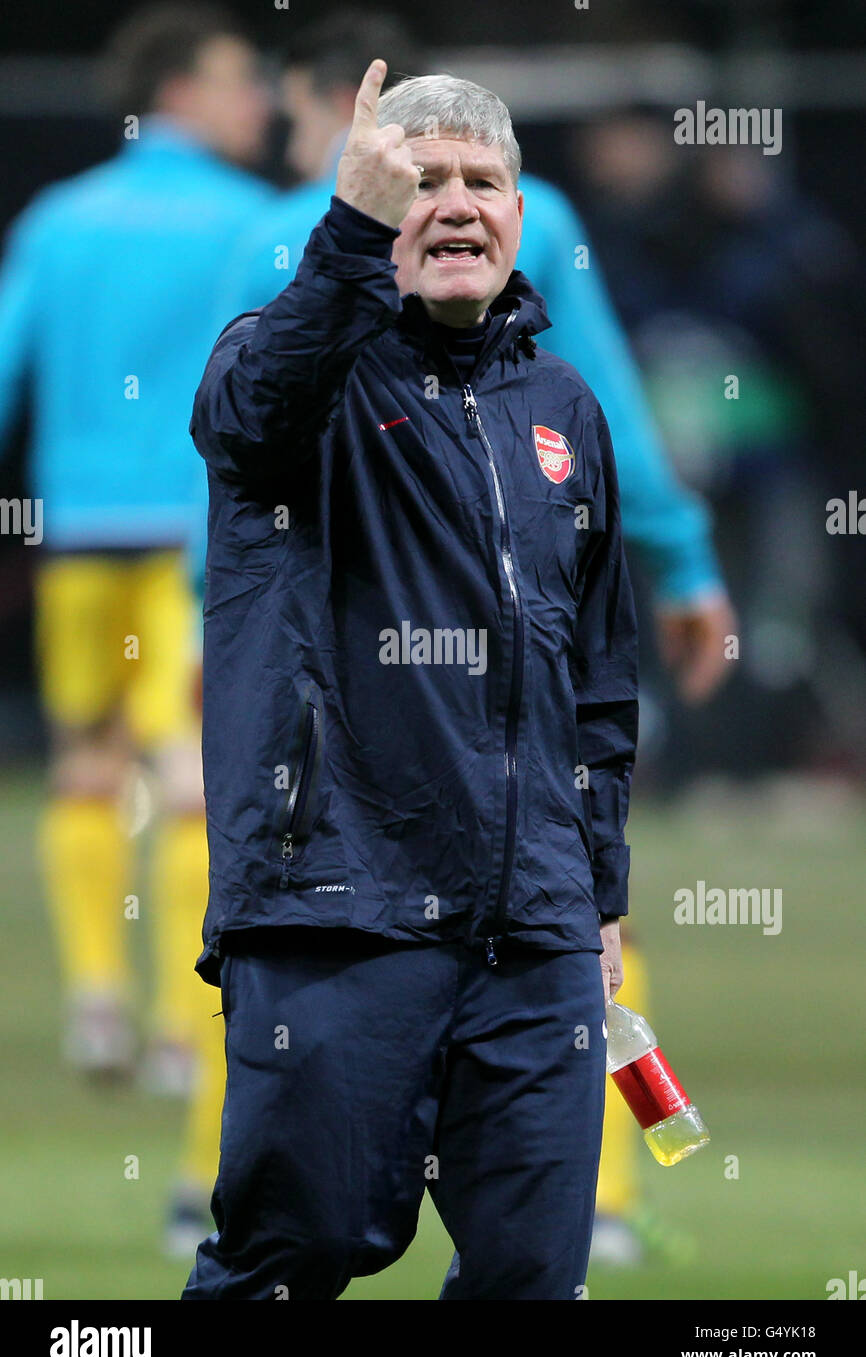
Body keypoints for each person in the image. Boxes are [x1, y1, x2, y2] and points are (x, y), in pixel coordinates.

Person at [206, 11, 735, 1265]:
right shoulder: (297, 373)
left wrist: (595, 891)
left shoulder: (564, 408)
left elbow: (597, 681)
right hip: (339, 911)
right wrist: (342, 232)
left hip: (535, 935)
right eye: (421, 181)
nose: (455, 205)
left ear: (517, 212)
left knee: (532, 1275)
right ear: (373, 206)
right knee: (294, 1253)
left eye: (481, 182)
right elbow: (250, 414)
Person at [0, 2, 271, 1089]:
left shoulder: (59, 219)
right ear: (179, 94)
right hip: (195, 536)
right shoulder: (256, 223)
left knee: (85, 761)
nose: (257, 101)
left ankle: (98, 1004)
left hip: (77, 533)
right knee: (191, 772)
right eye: (239, 80)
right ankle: (177, 1023)